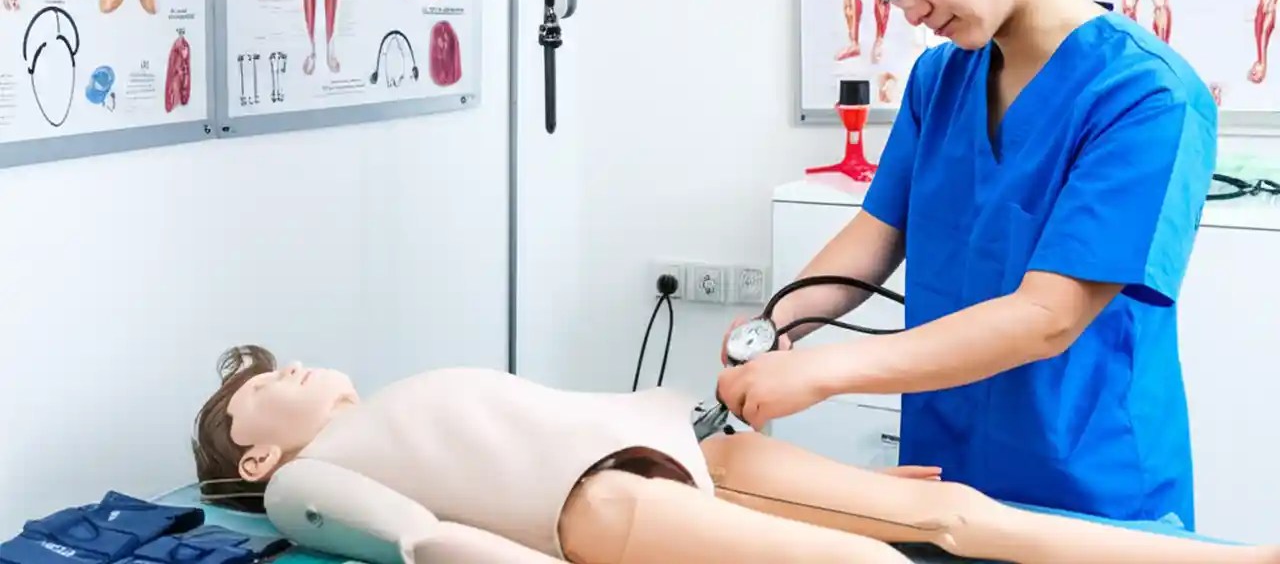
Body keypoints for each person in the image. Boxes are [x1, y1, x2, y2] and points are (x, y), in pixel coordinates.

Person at [717, 0, 1218, 532]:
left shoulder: (1146, 95)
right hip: (945, 471)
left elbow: (1050, 315)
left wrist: (825, 372)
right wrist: (780, 322)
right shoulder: (940, 81)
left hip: (1086, 488)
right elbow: (874, 235)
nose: (910, 12)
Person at [189, 346, 1280, 564]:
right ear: (250, 453)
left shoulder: (392, 396)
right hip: (597, 506)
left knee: (953, 515)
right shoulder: (297, 482)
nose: (290, 369)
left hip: (675, 445)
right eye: (261, 388)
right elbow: (418, 540)